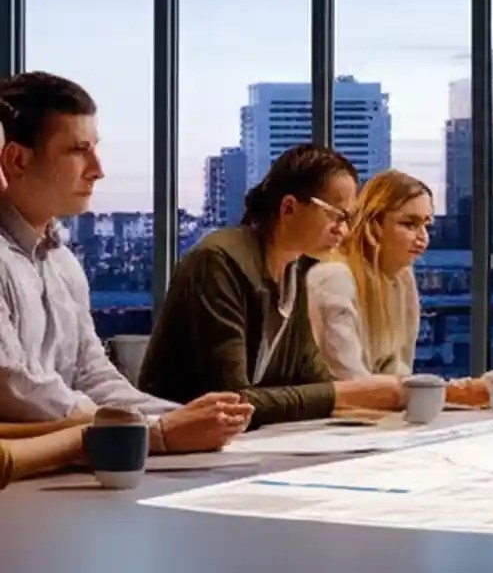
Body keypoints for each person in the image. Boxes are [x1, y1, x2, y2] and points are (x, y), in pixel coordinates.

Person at [0, 71, 251, 454]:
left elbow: (92, 375)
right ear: (17, 159)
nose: (97, 168)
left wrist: (182, 418)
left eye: (94, 148)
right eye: (77, 150)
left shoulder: (62, 262)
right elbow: (14, 389)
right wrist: (155, 429)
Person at [140, 144, 406, 427]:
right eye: (338, 216)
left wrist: (348, 396)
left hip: (242, 444)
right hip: (175, 449)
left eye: (349, 219)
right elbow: (233, 399)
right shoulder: (218, 263)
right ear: (289, 207)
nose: (344, 230)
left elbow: (311, 377)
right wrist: (345, 394)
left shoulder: (296, 270)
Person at [307, 169, 432, 379]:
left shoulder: (402, 279)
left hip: (372, 406)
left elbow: (399, 370)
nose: (423, 237)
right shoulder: (333, 278)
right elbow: (349, 377)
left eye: (426, 225)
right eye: (409, 224)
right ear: (374, 226)